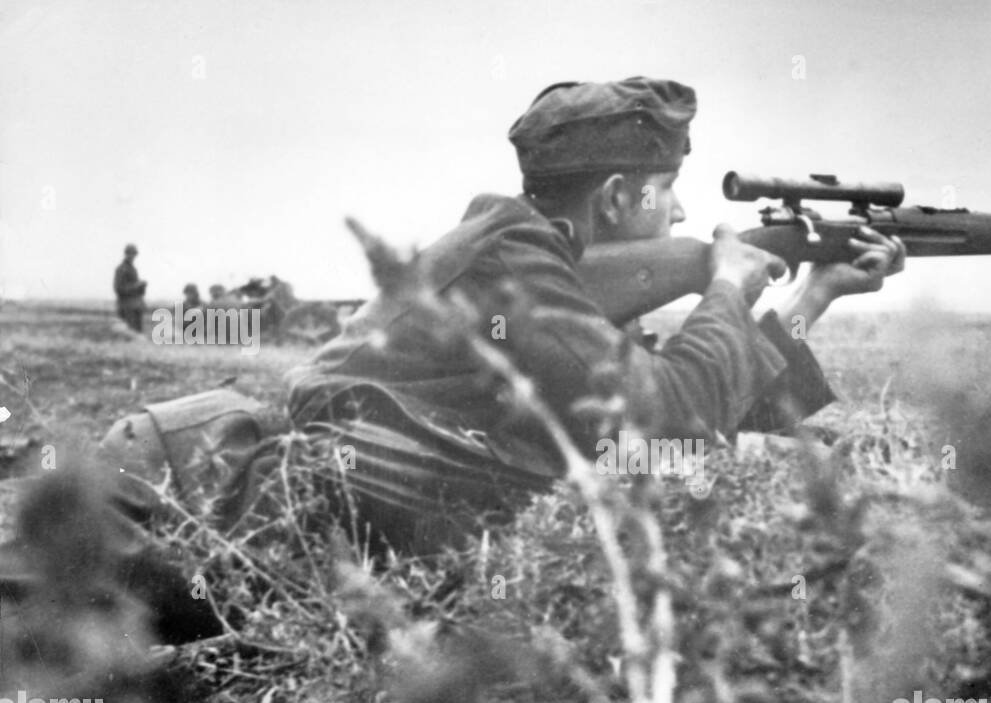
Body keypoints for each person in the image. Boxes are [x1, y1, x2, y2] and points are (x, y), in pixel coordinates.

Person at [280, 77, 904, 557]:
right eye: (668, 187)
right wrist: (725, 290)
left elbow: (701, 415)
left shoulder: (531, 258)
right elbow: (670, 423)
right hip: (287, 519)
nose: (683, 212)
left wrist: (814, 295)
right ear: (613, 198)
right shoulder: (514, 269)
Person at [113, 244, 147, 332]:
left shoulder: (133, 269)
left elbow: (139, 291)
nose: (132, 256)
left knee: (137, 333)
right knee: (129, 334)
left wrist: (142, 287)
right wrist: (135, 286)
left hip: (135, 306)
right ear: (126, 254)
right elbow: (118, 288)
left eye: (134, 254)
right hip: (126, 307)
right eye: (130, 254)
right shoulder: (121, 269)